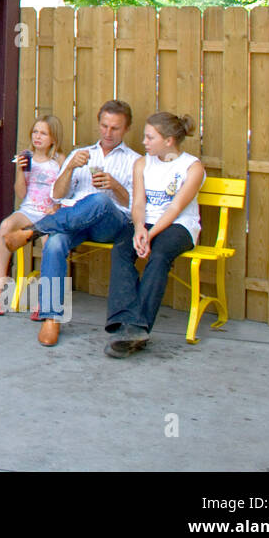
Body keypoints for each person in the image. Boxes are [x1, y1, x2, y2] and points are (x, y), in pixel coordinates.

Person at [4, 100, 139, 347]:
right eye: (104, 126)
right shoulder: (82, 154)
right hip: (76, 220)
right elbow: (57, 195)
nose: (108, 133)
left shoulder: (135, 161)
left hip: (112, 224)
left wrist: (115, 186)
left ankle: (34, 230)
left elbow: (137, 207)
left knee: (99, 200)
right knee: (55, 244)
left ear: (126, 129)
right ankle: (51, 319)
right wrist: (69, 169)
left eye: (115, 128)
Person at [104, 112, 206, 358]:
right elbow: (138, 203)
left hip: (179, 226)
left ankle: (137, 328)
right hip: (146, 223)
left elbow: (175, 209)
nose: (144, 142)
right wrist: (139, 229)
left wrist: (150, 235)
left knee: (159, 255)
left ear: (169, 140)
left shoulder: (192, 167)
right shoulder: (142, 163)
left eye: (150, 137)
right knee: (122, 247)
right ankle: (127, 322)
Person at [0, 115, 64, 314]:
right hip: (29, 210)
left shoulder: (59, 160)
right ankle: (0, 284)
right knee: (5, 226)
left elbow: (66, 192)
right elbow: (21, 194)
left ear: (53, 138)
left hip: (48, 213)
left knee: (49, 241)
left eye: (44, 133)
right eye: (35, 132)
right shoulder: (26, 156)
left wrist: (57, 208)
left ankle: (44, 297)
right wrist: (21, 171)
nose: (38, 137)